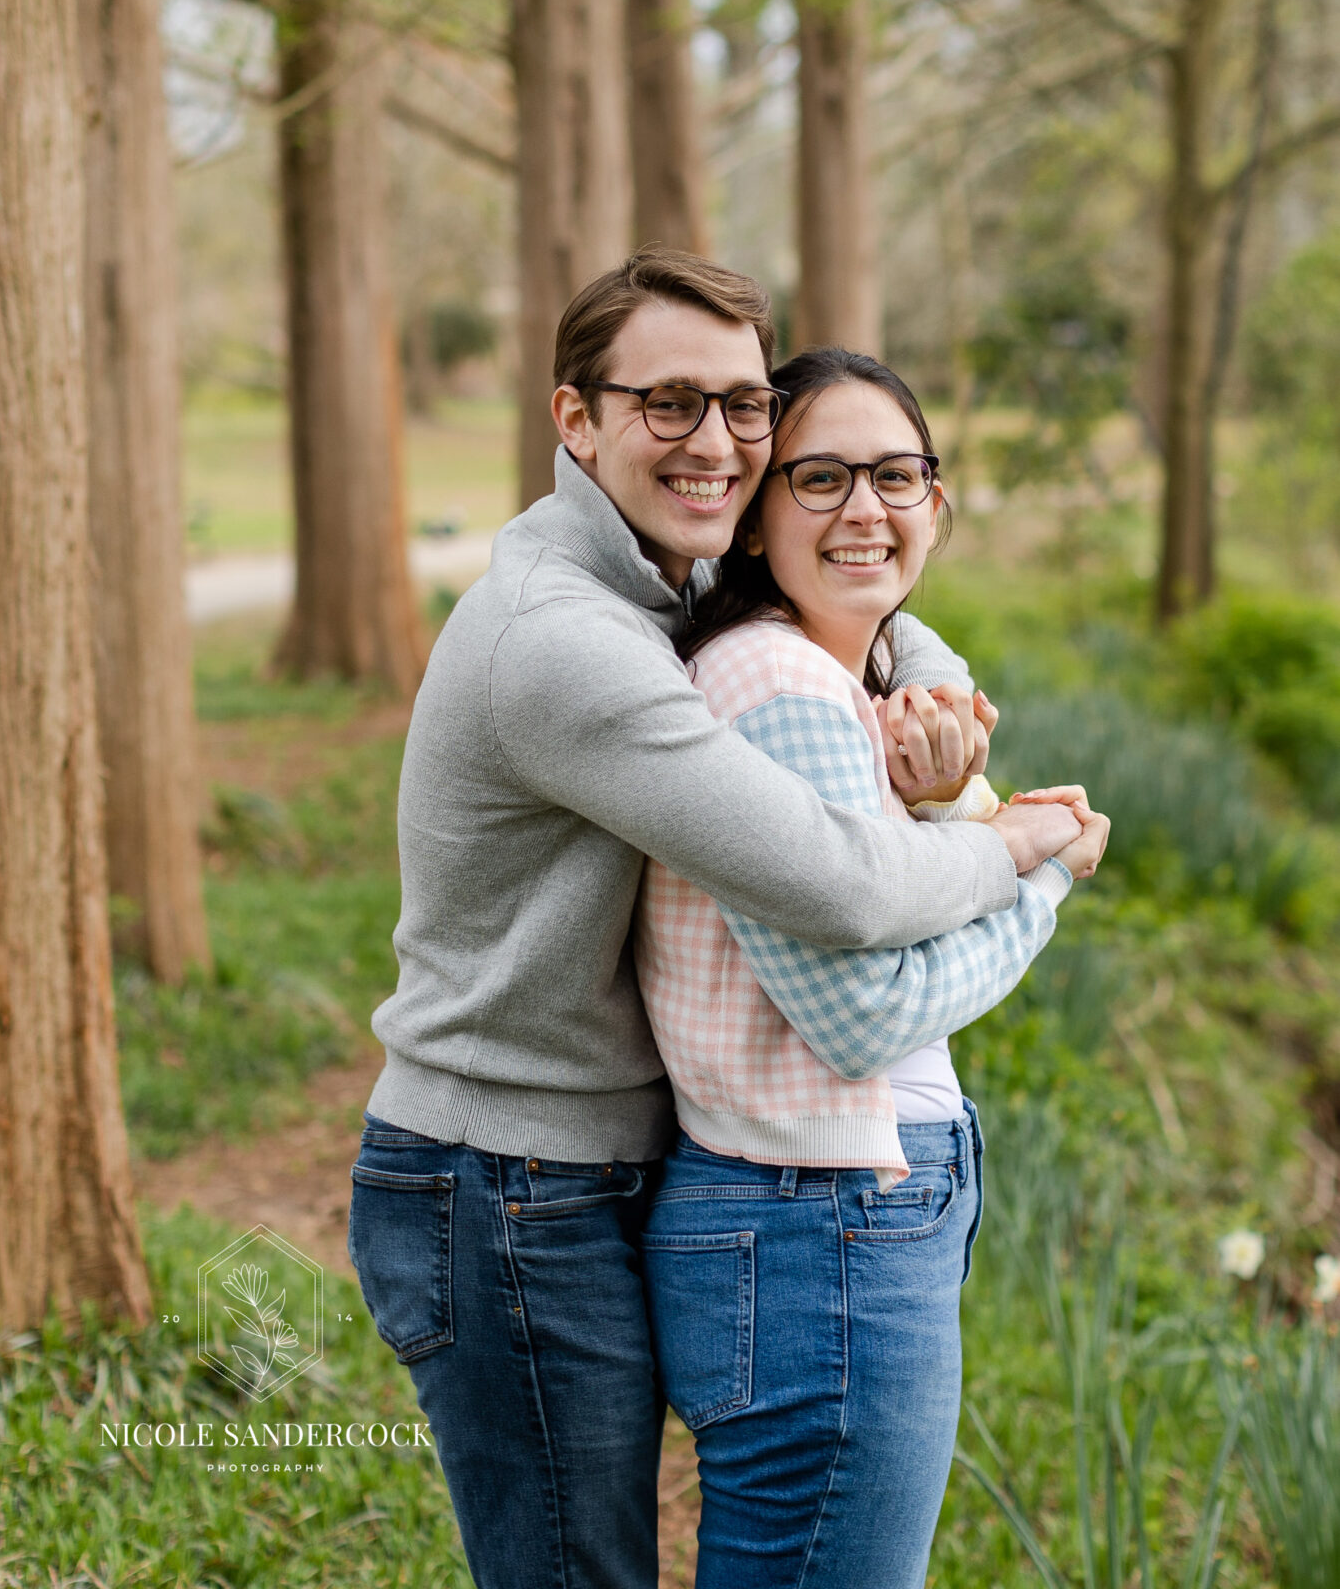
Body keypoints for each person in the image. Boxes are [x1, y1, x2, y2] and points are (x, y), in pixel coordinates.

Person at [348, 251, 1085, 1589]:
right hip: (500, 1173)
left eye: (745, 405)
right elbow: (846, 895)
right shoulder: (567, 638)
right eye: (669, 401)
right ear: (575, 419)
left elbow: (864, 613)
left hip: (601, 1159)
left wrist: (922, 688)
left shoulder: (665, 573)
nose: (718, 441)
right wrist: (1020, 842)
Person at [636, 345, 1110, 1589]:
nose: (866, 508)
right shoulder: (786, 688)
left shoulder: (846, 665)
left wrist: (944, 741)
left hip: (811, 1215)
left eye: (896, 476)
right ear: (752, 516)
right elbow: (864, 1014)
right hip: (823, 1223)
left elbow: (904, 619)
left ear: (938, 505)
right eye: (823, 477)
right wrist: (1043, 870)